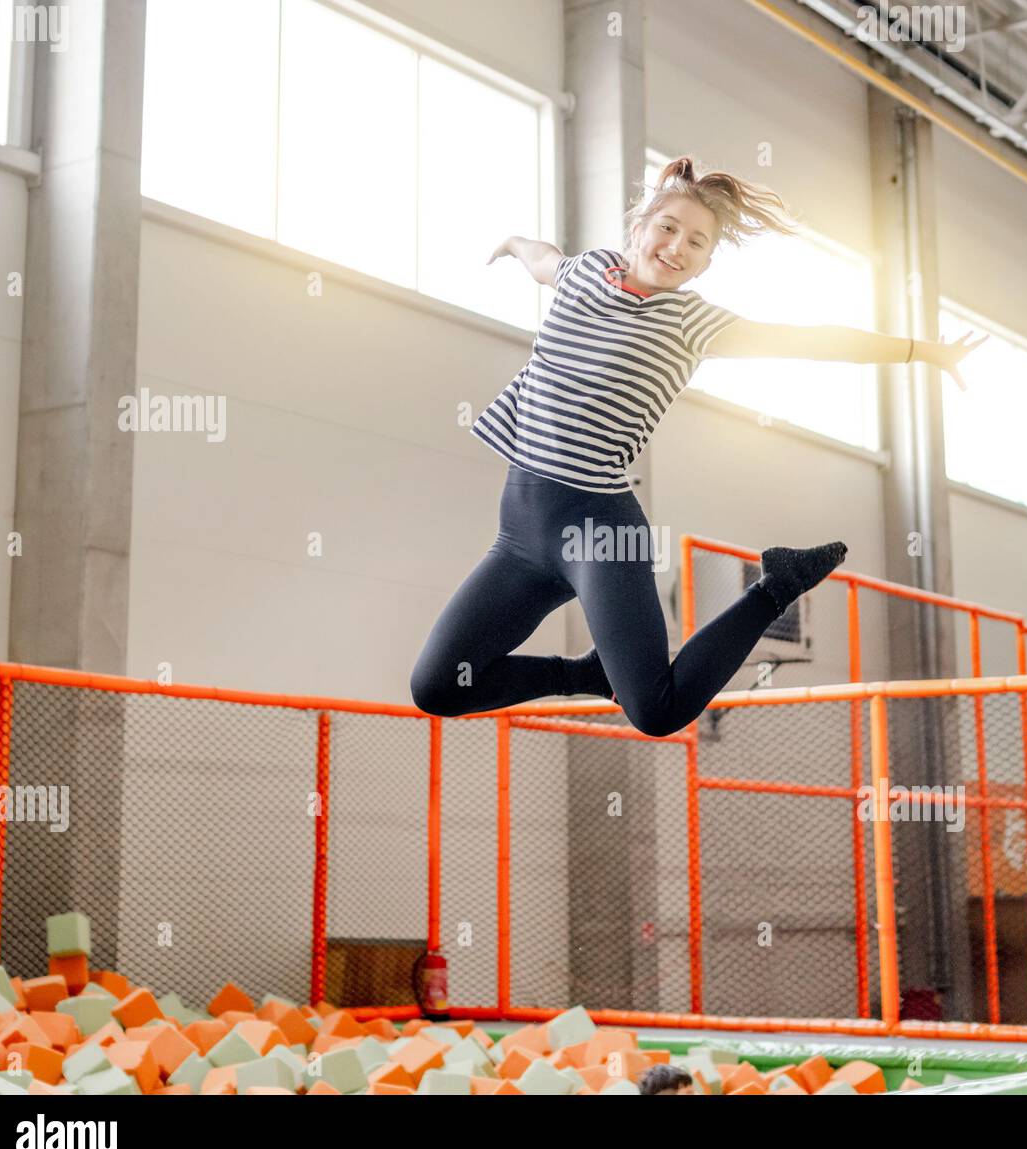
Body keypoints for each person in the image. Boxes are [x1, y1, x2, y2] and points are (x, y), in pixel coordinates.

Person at [410, 155, 985, 738]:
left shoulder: (691, 323)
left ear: (705, 263)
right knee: (438, 686)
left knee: (658, 711)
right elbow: (543, 259)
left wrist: (923, 352)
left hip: (599, 532)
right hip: (520, 538)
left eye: (697, 243)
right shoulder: (585, 272)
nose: (677, 247)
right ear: (639, 227)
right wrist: (512, 241)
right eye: (668, 228)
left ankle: (777, 585)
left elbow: (810, 340)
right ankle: (585, 677)